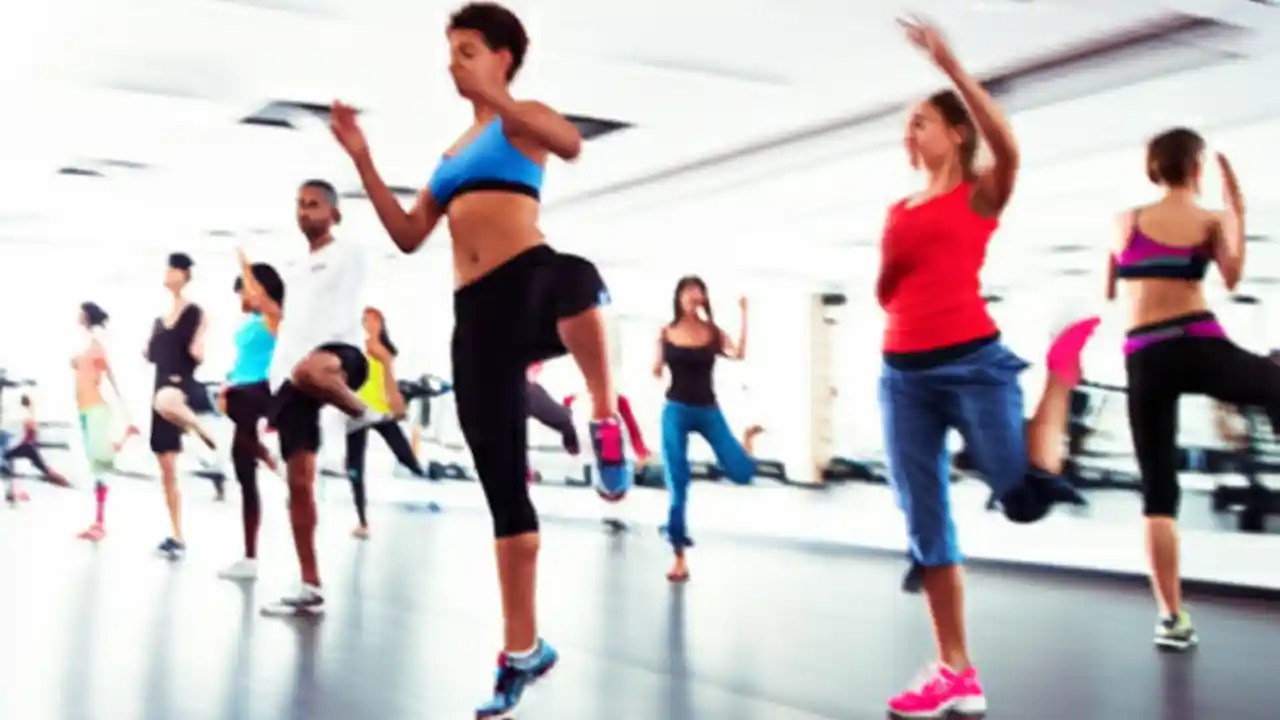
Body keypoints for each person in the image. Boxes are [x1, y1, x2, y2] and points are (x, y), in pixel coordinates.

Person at [329, 3, 626, 715]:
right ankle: (522, 649)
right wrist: (362, 158)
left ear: (503, 56)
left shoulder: (521, 119)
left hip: (530, 278)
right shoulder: (453, 154)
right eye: (450, 51)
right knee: (503, 491)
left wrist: (497, 97)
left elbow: (572, 144)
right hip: (477, 320)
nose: (453, 61)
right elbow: (407, 233)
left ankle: (607, 422)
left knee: (579, 278)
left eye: (467, 49)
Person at [874, 18, 1084, 718]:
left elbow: (1009, 147)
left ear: (957, 133)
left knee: (1019, 495)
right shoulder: (898, 208)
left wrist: (954, 68)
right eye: (907, 126)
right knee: (925, 526)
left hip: (970, 363)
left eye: (922, 123)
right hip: (901, 374)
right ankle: (955, 672)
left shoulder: (981, 193)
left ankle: (1061, 372)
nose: (911, 135)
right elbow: (887, 286)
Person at [1105, 127, 1260, 652]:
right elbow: (1233, 277)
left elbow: (1111, 290)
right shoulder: (1212, 220)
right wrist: (1236, 205)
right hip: (1198, 342)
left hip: (1145, 357)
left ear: (1154, 168)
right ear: (1197, 169)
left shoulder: (1124, 222)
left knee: (1159, 494)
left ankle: (1171, 618)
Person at [256, 179, 382, 618]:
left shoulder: (349, 254)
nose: (304, 212)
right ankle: (309, 583)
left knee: (312, 369)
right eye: (300, 205)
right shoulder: (293, 266)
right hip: (293, 379)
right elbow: (286, 318)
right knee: (299, 486)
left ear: (334, 213)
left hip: (339, 358)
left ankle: (366, 414)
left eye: (313, 205)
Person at [652, 276, 762, 582]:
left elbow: (738, 353)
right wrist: (656, 368)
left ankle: (747, 441)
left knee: (742, 473)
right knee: (678, 485)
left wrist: (744, 314)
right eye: (687, 291)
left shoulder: (712, 333)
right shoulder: (666, 332)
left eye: (697, 291)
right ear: (678, 297)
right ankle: (679, 558)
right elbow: (656, 366)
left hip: (707, 409)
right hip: (675, 410)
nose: (693, 295)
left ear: (702, 297)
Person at [144, 252, 217, 558]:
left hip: (181, 386)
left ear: (184, 274)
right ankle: (177, 534)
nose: (167, 273)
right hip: (160, 389)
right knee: (167, 470)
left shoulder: (195, 312)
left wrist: (199, 341)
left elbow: (198, 353)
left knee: (168, 400)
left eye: (172, 269)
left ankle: (201, 430)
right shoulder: (159, 321)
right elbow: (149, 355)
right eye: (167, 268)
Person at [218, 259, 285, 582]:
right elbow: (240, 361)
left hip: (257, 391)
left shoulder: (274, 319)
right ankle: (249, 557)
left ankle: (270, 456)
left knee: (244, 430)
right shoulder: (251, 322)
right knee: (244, 476)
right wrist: (227, 380)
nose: (241, 299)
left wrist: (248, 269)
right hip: (240, 389)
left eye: (243, 291)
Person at [346, 306, 425, 539]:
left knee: (405, 455)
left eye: (373, 319)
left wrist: (396, 406)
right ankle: (362, 521)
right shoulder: (357, 347)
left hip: (380, 410)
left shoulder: (385, 352)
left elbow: (389, 382)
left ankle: (425, 475)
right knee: (354, 468)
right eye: (365, 320)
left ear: (380, 322)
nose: (368, 324)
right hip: (357, 410)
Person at [73, 302, 134, 541]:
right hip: (84, 409)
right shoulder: (86, 343)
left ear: (87, 316)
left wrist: (123, 406)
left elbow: (110, 374)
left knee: (100, 462)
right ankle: (97, 521)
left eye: (81, 312)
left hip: (96, 407)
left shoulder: (97, 344)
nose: (77, 316)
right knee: (95, 462)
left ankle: (99, 523)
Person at [3, 394, 70, 499]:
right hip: (16, 447)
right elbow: (25, 431)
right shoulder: (24, 417)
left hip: (17, 446)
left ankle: (51, 474)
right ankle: (52, 475)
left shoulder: (22, 414)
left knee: (32, 454)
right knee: (32, 454)